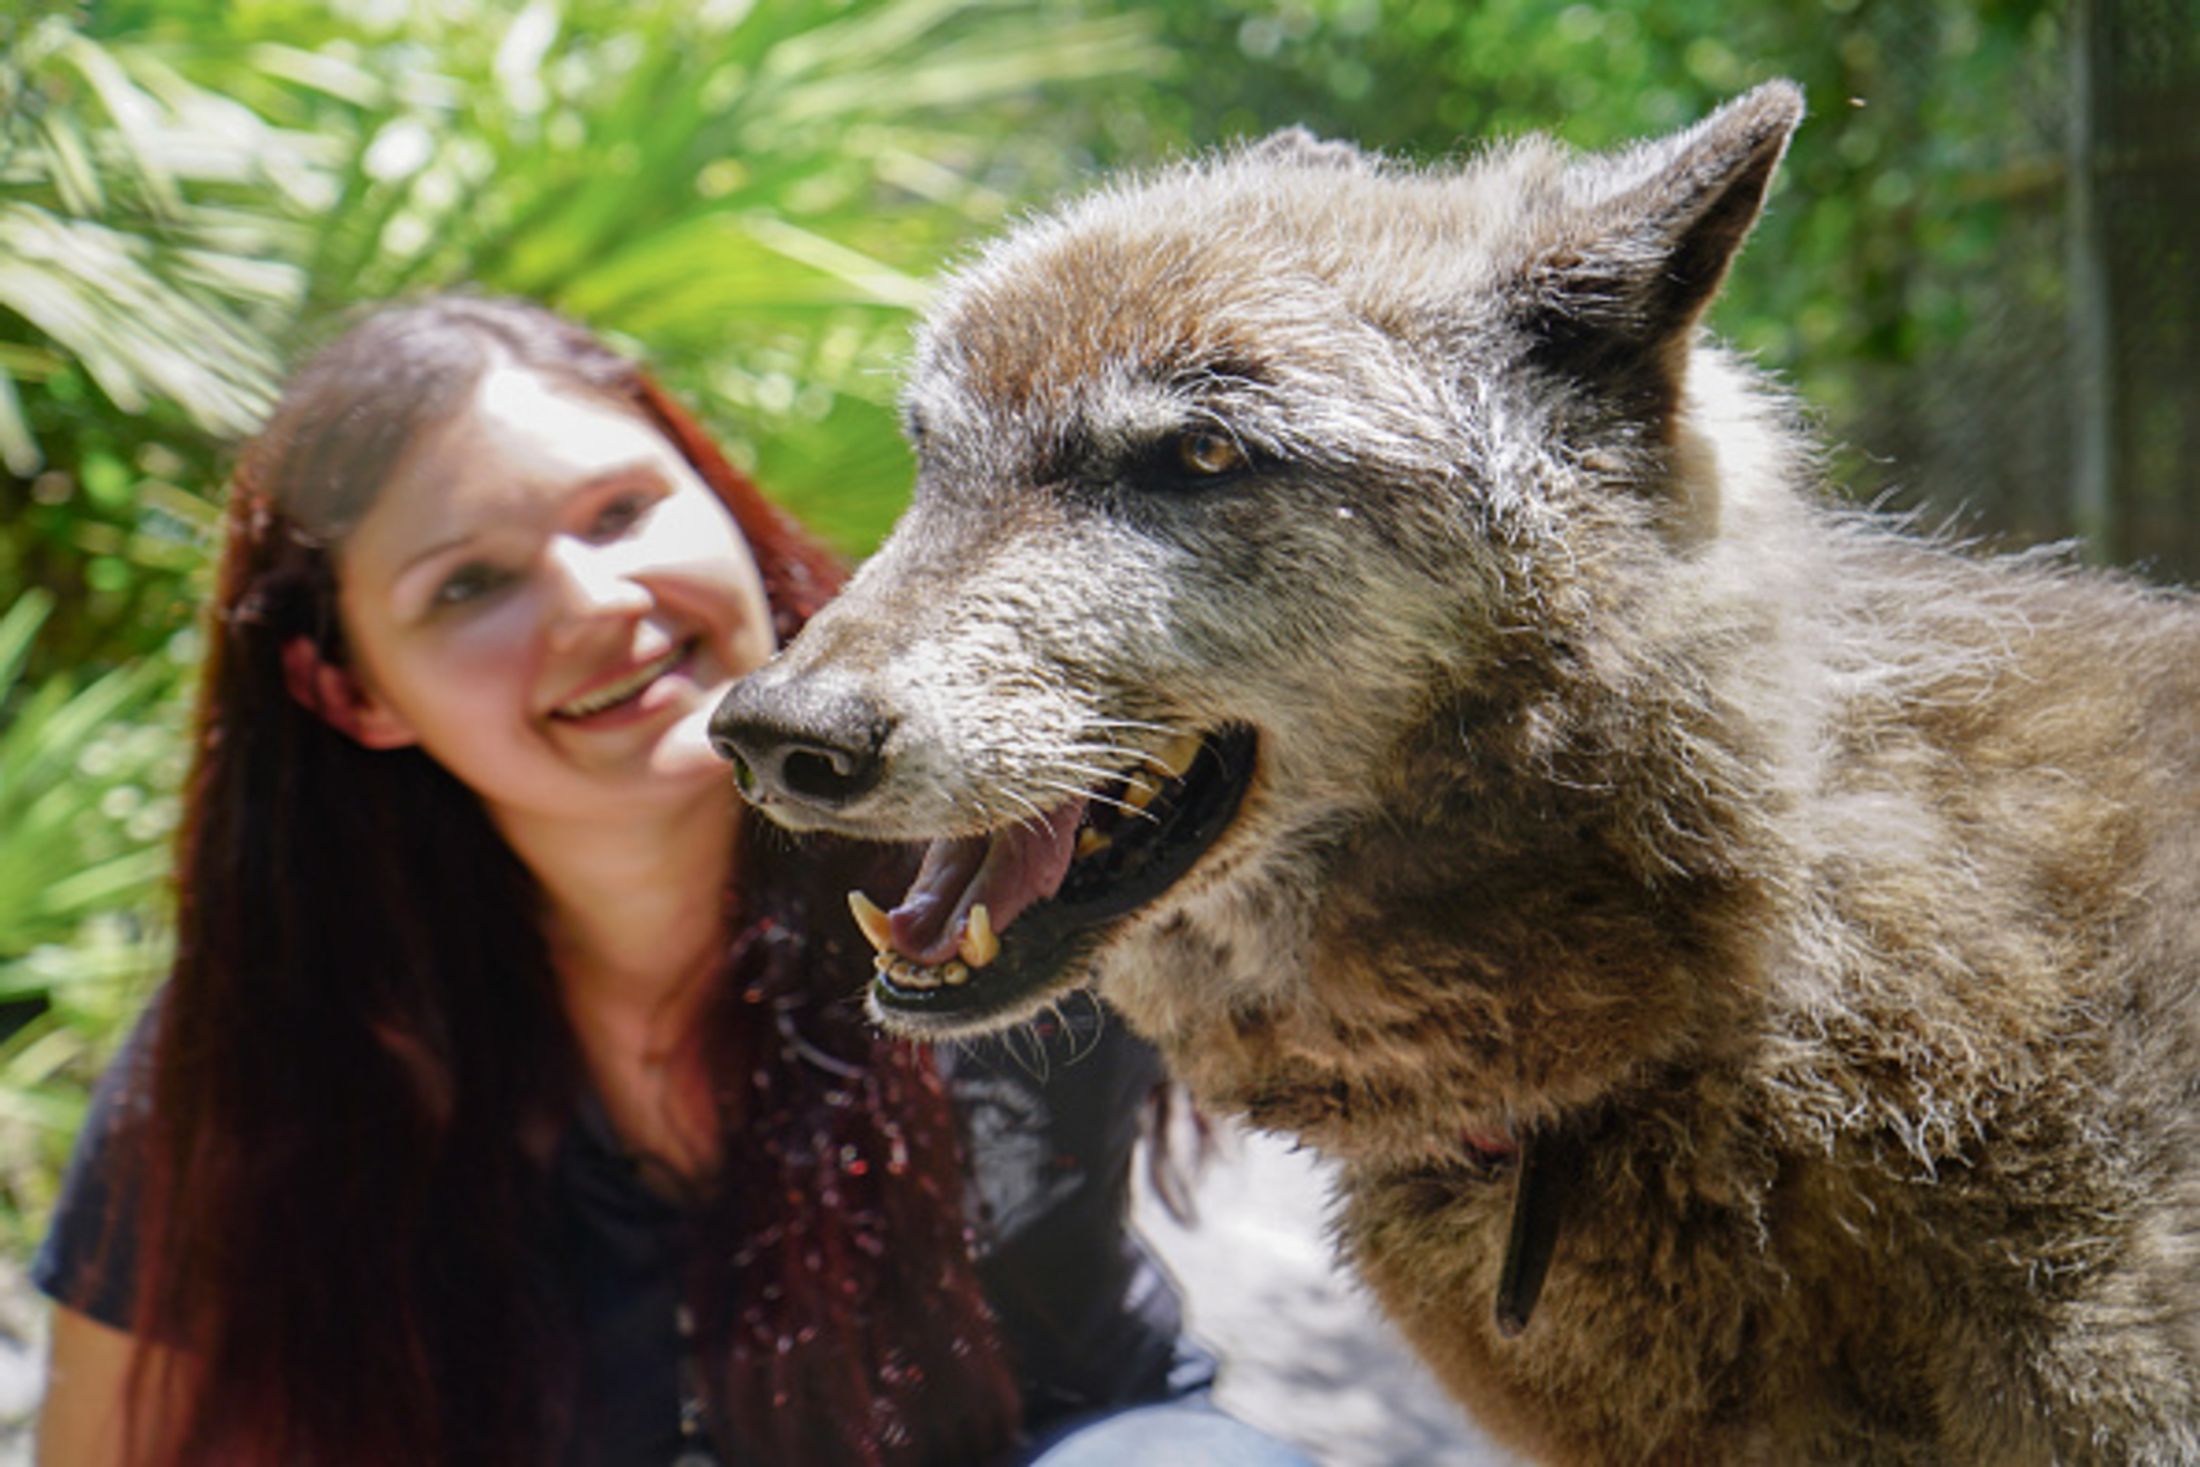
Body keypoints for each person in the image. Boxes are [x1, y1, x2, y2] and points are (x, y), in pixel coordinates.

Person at [31, 295, 1311, 1467]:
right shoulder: (262, 1056)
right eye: (470, 584)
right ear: (350, 690)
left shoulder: (1056, 833)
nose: (596, 600)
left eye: (619, 512)